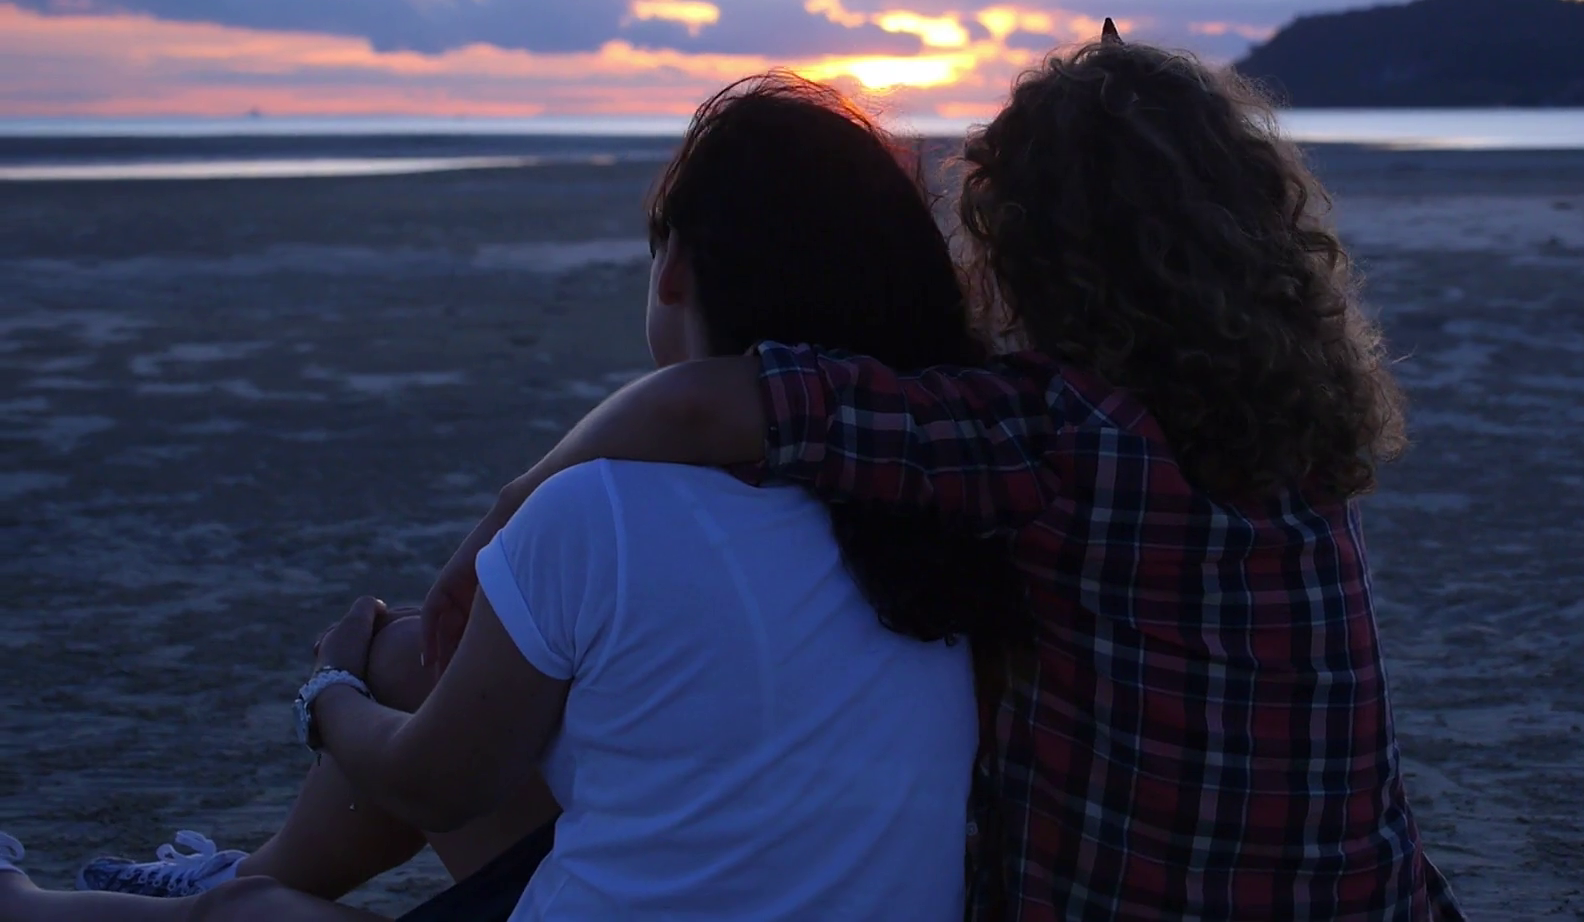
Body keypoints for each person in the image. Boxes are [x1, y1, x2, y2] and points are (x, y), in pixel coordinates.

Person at [422, 27, 1469, 921]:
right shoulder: (1297, 440)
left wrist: (499, 531)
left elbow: (711, 400)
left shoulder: (1053, 435)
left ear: (1031, 249)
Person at [4, 72, 1018, 922]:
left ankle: (48, 903)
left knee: (265, 899)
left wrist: (330, 696)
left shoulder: (607, 513)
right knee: (431, 662)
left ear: (674, 274)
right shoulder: (937, 499)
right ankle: (249, 868)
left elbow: (440, 785)